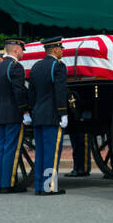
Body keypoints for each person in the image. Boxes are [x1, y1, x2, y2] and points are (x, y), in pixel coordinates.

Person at [29, 35, 69, 195]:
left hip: (38, 115)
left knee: (41, 152)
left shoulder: (36, 66)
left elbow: (31, 92)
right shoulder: (58, 66)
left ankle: (39, 186)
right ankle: (49, 186)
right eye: (60, 48)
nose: (62, 51)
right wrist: (63, 113)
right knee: (51, 153)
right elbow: (60, 91)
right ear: (54, 49)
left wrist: (32, 111)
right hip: (52, 115)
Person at [0, 38, 31, 194]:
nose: (22, 53)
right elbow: (19, 91)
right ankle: (8, 183)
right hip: (14, 113)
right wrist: (25, 111)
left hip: (0, 113)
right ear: (16, 50)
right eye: (22, 49)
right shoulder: (16, 67)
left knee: (2, 148)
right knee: (11, 149)